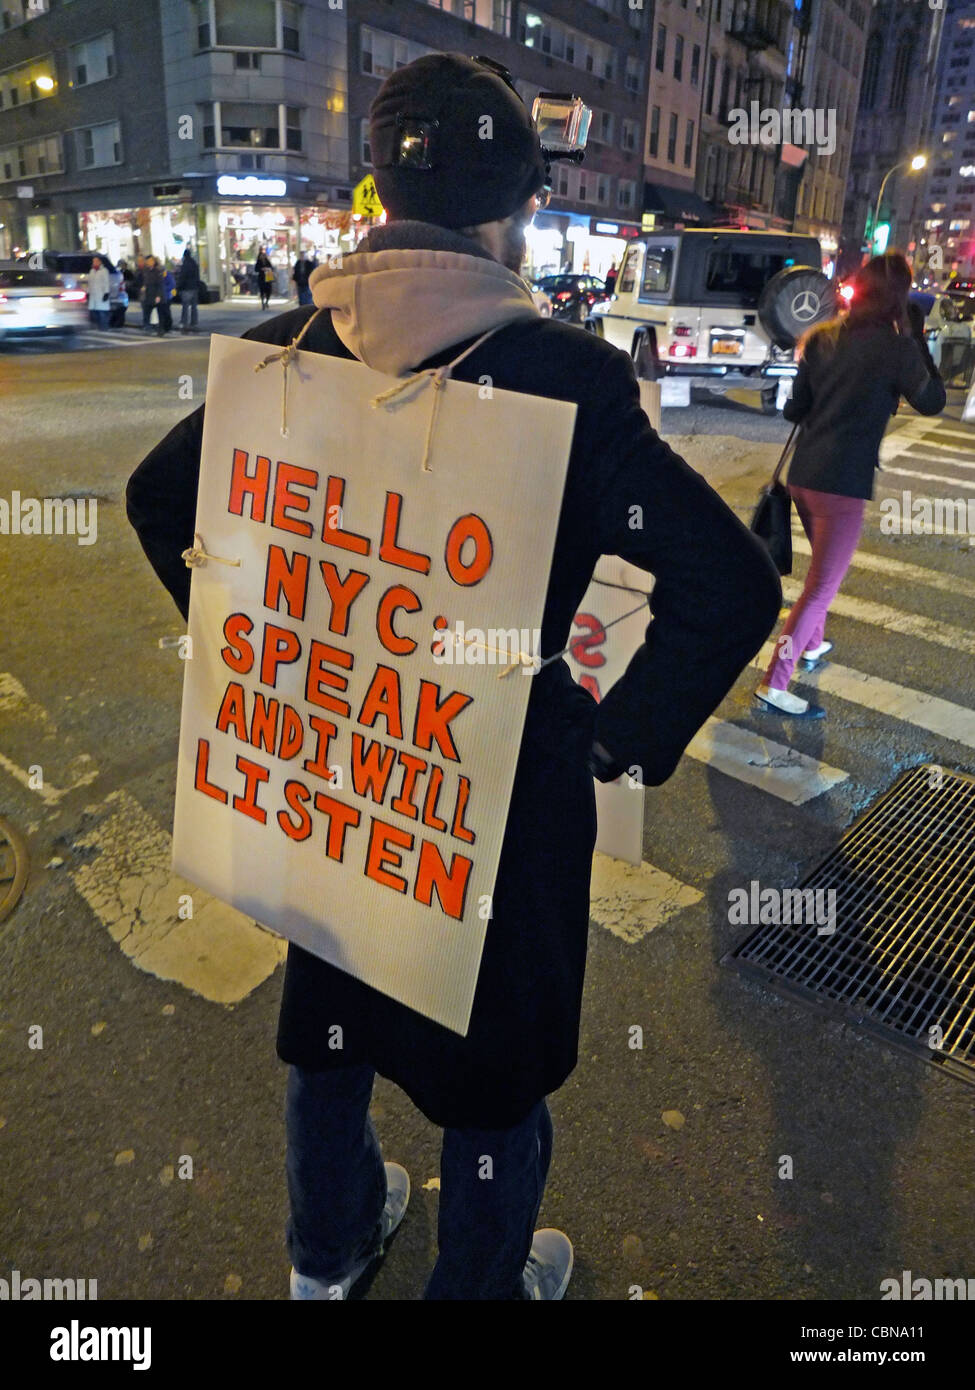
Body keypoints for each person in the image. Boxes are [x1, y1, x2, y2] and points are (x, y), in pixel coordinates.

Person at [127, 53, 781, 1301]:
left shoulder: (287, 349)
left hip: (337, 759)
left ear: (379, 185)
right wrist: (608, 737)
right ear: (513, 210)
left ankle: (326, 1255)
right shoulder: (565, 378)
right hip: (491, 795)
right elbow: (731, 585)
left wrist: (262, 659)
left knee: (329, 1027)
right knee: (491, 1082)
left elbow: (160, 500)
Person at [755, 251, 946, 718]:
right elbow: (933, 401)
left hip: (804, 477)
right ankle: (774, 681)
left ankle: (812, 644)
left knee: (820, 574)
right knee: (820, 587)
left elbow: (794, 409)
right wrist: (918, 340)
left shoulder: (822, 337)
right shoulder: (896, 348)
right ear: (899, 297)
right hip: (841, 486)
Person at [177, 247, 201, 333]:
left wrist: (178, 287)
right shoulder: (194, 264)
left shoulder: (185, 265)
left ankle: (184, 322)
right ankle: (194, 323)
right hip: (194, 288)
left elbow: (182, 277)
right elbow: (197, 276)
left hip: (186, 288)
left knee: (185, 307)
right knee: (194, 307)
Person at [88, 255, 111, 330]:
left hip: (101, 295)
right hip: (94, 296)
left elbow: (106, 282)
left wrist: (106, 293)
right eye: (93, 261)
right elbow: (90, 283)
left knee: (102, 313)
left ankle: (104, 327)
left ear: (100, 262)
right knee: (95, 313)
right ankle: (99, 327)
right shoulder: (92, 271)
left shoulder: (104, 271)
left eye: (96, 261)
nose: (94, 263)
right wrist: (88, 293)